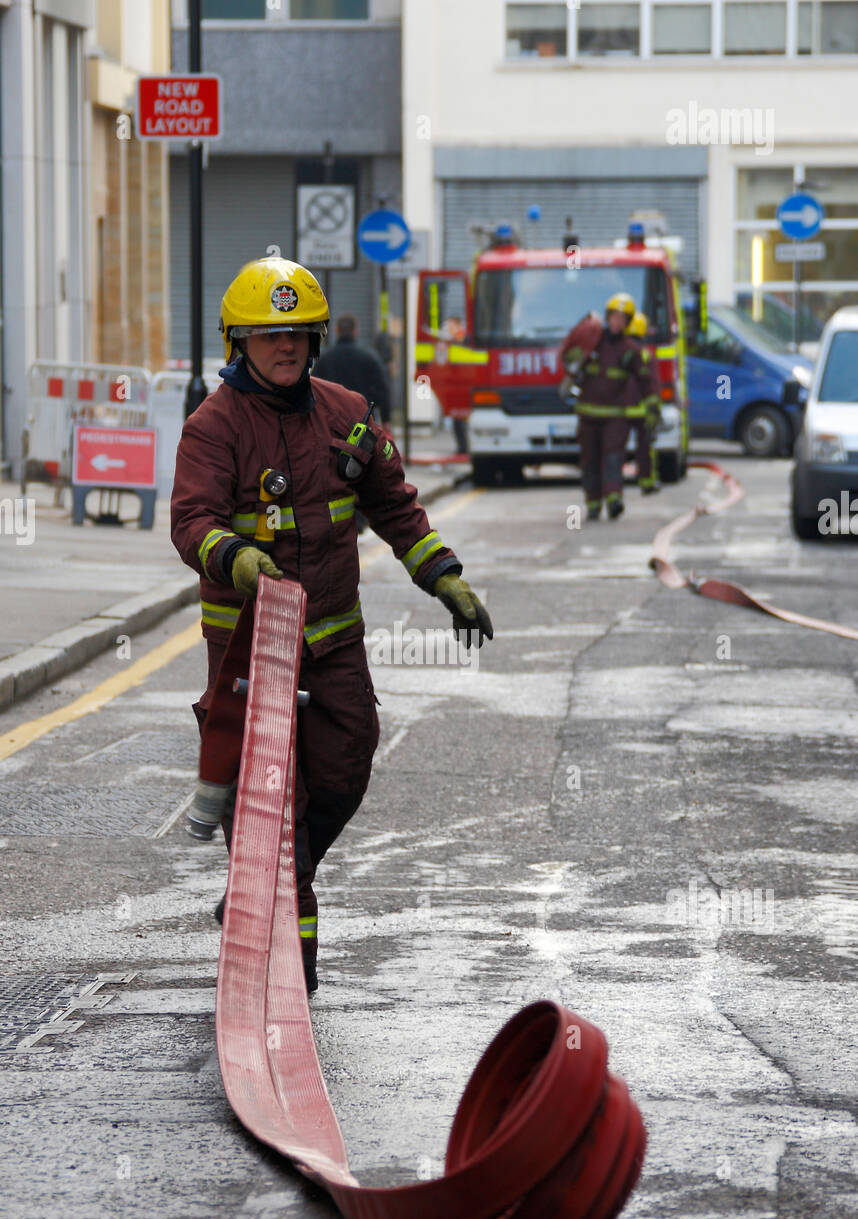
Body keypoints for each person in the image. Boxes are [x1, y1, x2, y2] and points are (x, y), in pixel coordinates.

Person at [171, 257, 492, 994]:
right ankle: (287, 988)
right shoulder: (213, 428)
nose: (286, 348)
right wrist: (239, 561)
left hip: (333, 645)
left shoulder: (347, 413)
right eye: (268, 336)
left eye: (298, 335)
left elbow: (395, 506)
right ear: (237, 341)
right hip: (250, 653)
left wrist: (445, 578)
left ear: (316, 340)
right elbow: (191, 522)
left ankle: (269, 888)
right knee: (276, 813)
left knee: (344, 772)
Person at [561, 292, 661, 521]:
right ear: (608, 317)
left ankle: (614, 500)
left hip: (616, 417)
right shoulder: (593, 341)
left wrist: (653, 408)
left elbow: (648, 381)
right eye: (614, 317)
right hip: (588, 415)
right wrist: (570, 371)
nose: (617, 322)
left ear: (627, 322)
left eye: (622, 318)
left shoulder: (631, 350)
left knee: (613, 459)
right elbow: (573, 361)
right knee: (589, 461)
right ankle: (593, 503)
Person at [311, 312, 391, 425]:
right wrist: (386, 420)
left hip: (332, 424)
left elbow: (313, 390)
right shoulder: (369, 358)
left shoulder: (324, 360)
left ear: (336, 330)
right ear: (355, 331)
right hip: (363, 422)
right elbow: (382, 392)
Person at [625, 311, 660, 494]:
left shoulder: (619, 352)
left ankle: (612, 489)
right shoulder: (646, 354)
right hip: (642, 410)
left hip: (619, 410)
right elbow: (653, 383)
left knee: (613, 450)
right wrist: (655, 409)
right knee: (645, 449)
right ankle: (647, 483)